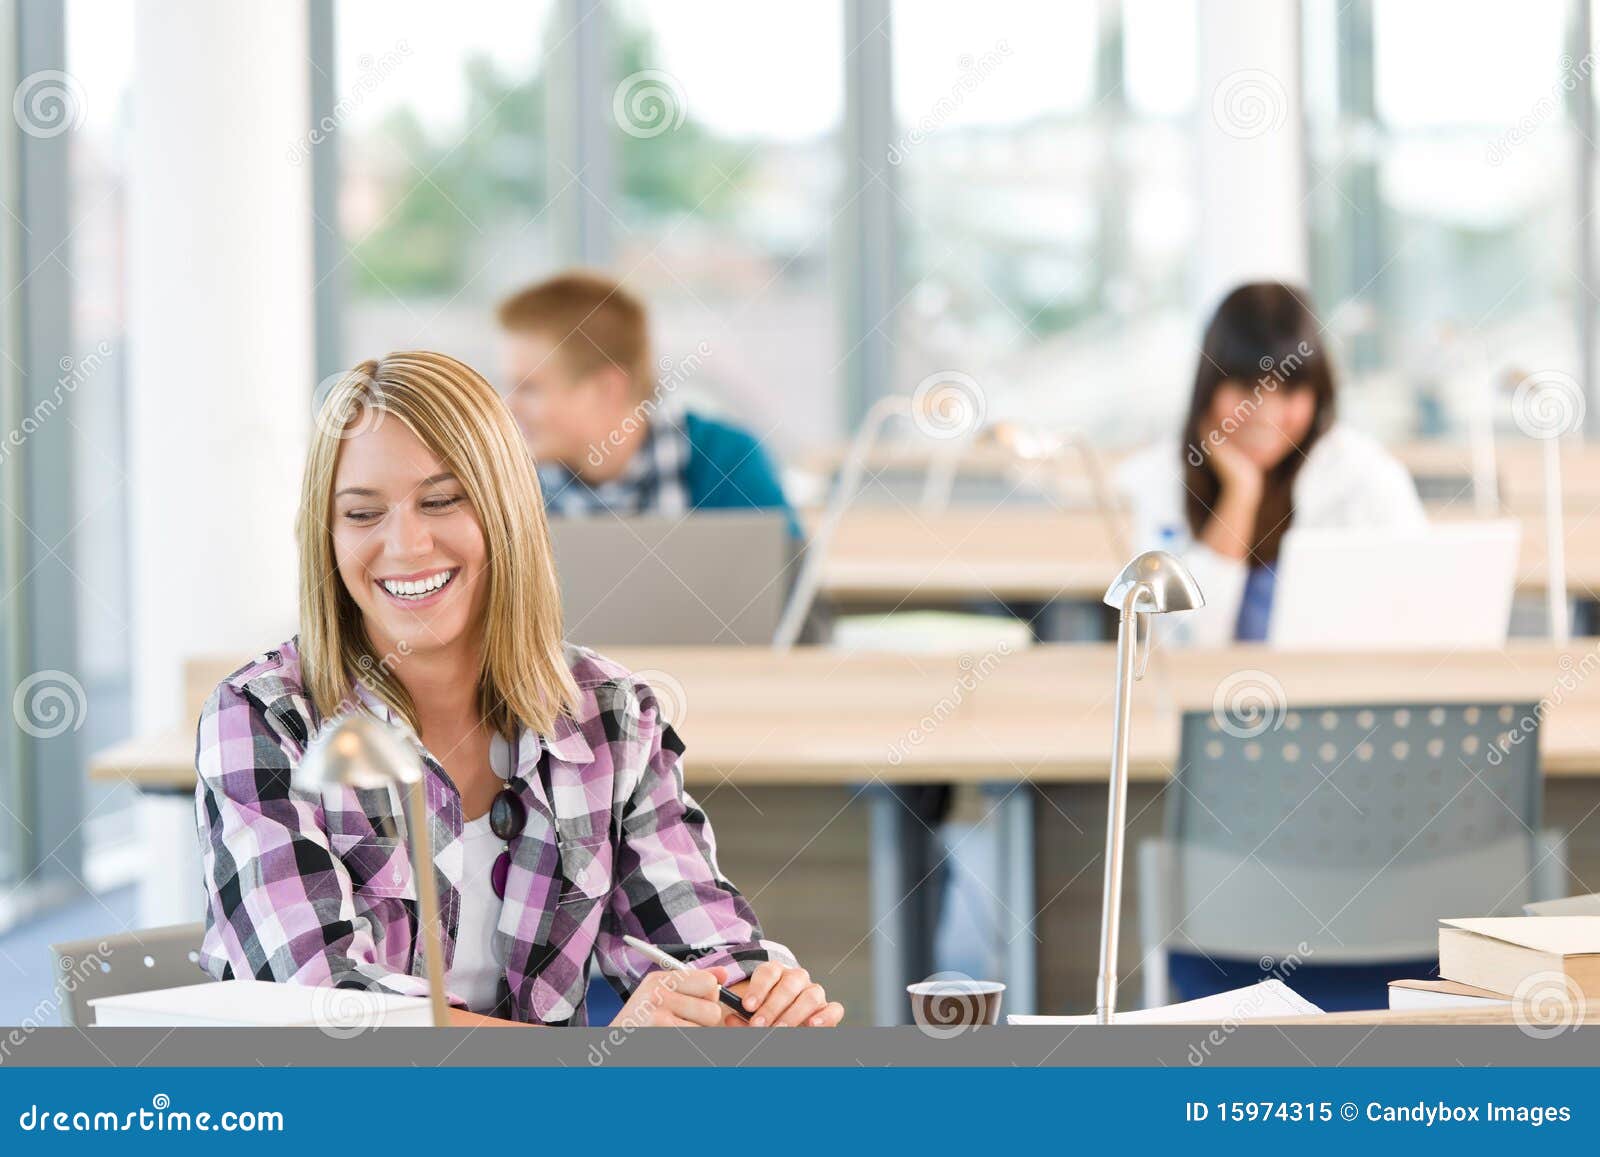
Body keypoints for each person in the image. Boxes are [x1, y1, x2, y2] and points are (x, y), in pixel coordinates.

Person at [194, 351, 842, 1028]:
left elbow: (699, 945)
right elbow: (332, 1019)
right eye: (361, 514)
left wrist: (749, 999)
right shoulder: (264, 717)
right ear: (325, 539)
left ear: (507, 510)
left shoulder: (609, 715)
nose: (406, 543)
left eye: (442, 500)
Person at [1116, 282, 1425, 646]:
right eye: (1247, 389)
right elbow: (1183, 646)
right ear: (1209, 387)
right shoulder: (1156, 479)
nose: (1266, 415)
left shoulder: (1365, 474)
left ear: (1318, 393)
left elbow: (1417, 613)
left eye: (1290, 391)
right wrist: (1240, 494)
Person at [497, 271, 798, 534]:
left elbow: (788, 588)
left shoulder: (726, 461)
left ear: (607, 389)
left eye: (530, 389)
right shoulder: (507, 489)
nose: (509, 406)